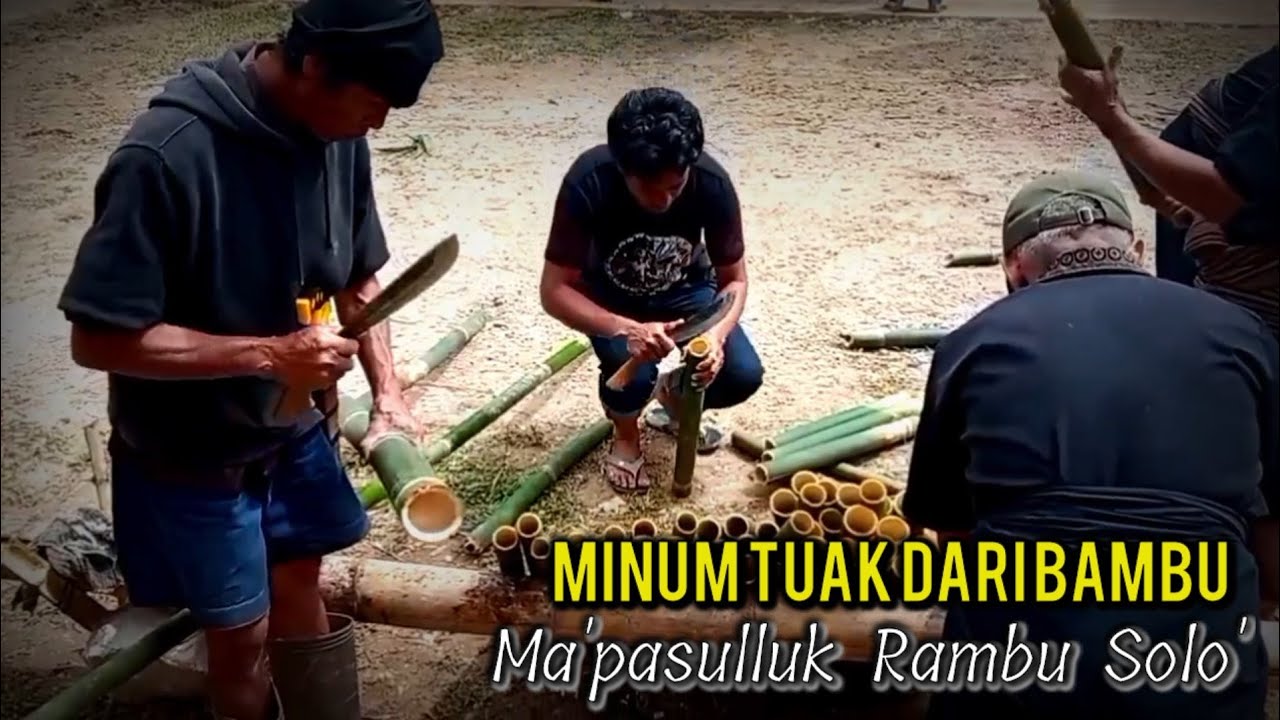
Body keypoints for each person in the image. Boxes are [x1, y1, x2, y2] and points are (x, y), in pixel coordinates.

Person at [56, 1, 444, 718]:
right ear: (315, 66)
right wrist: (269, 354)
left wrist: (388, 393)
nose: (381, 124)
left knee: (301, 578)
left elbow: (359, 278)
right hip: (193, 451)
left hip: (293, 432)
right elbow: (98, 337)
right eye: (376, 101)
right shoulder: (166, 156)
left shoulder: (339, 133)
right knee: (240, 637)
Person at [901, 171, 1278, 720]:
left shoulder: (975, 341)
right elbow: (1272, 545)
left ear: (1013, 268)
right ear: (1140, 250)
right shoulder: (1243, 333)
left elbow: (952, 532)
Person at [539, 87, 764, 494]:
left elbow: (735, 280)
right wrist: (625, 329)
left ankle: (673, 398)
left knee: (740, 375)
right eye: (650, 189)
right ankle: (626, 433)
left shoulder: (712, 183)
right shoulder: (588, 180)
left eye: (675, 188)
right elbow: (554, 291)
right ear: (624, 169)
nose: (664, 201)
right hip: (609, 296)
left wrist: (715, 336)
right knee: (630, 378)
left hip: (686, 290)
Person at [1058, 44, 1278, 337]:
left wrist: (1112, 117)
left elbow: (1231, 198)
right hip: (1195, 213)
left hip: (1236, 276)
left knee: (1200, 349)